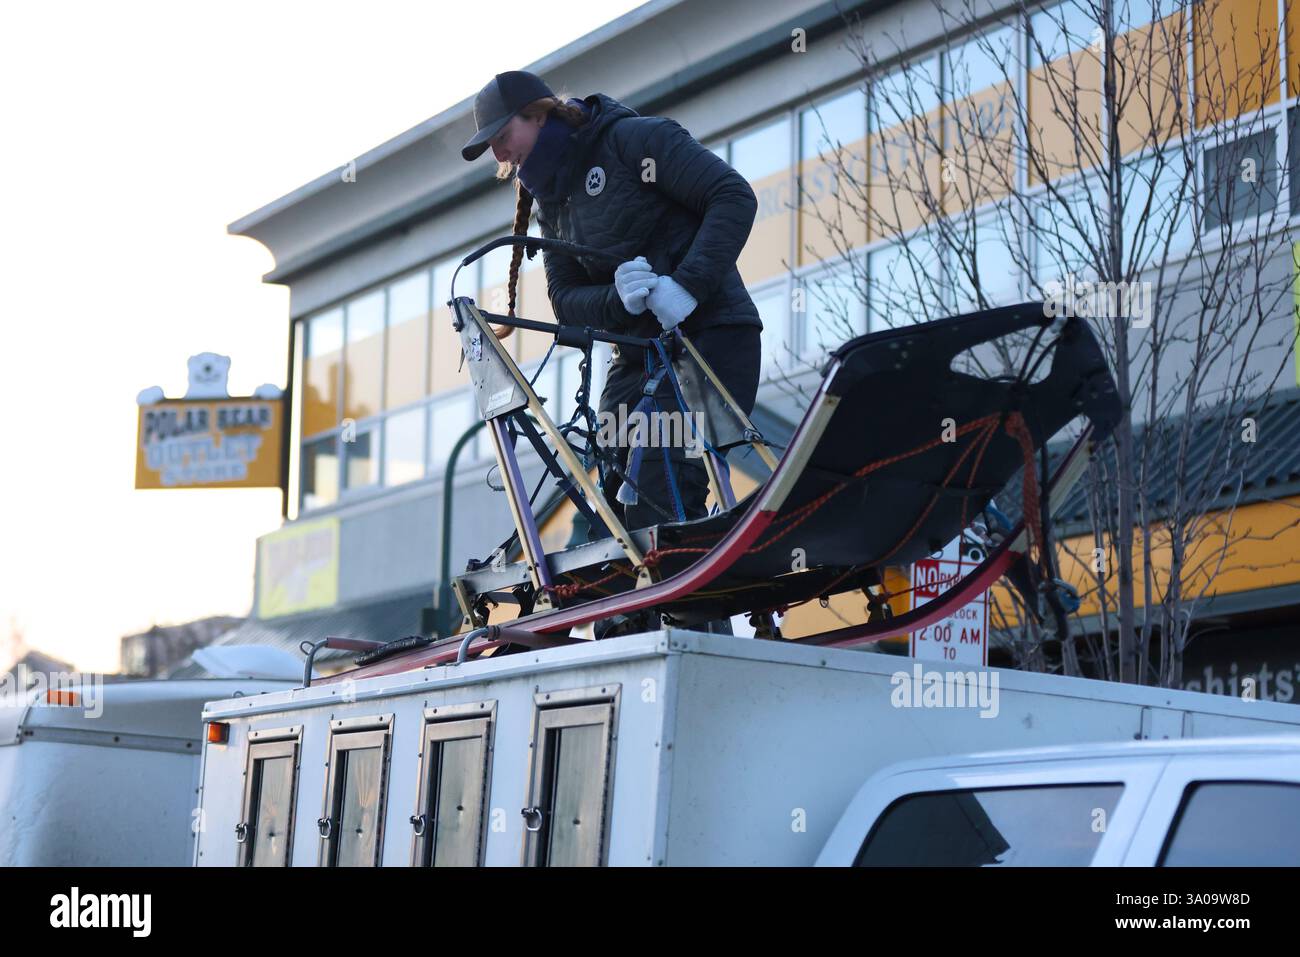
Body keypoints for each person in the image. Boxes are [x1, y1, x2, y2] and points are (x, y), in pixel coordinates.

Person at [461, 69, 763, 535]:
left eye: (503, 136)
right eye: (491, 149)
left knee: (657, 494)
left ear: (539, 116)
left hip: (712, 339)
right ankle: (632, 607)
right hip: (638, 360)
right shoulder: (551, 201)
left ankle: (691, 603)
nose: (499, 154)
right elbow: (566, 301)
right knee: (611, 520)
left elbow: (733, 196)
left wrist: (685, 287)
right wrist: (620, 297)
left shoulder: (632, 140)